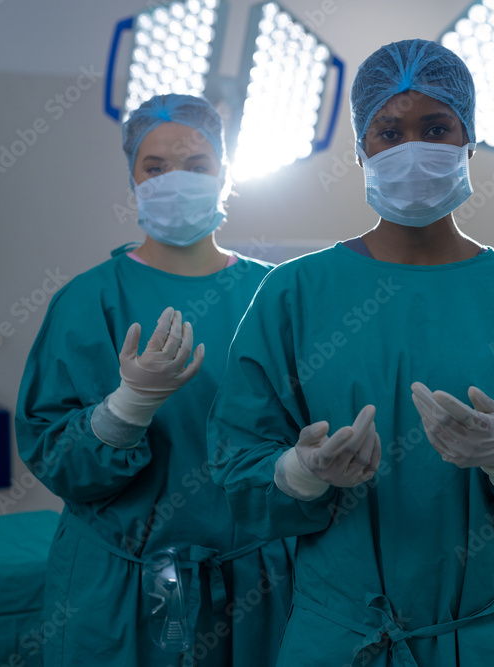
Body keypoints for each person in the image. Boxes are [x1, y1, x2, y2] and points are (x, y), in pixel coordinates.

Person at [207, 39, 494, 666]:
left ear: (469, 141)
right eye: (389, 132)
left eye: (435, 128)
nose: (412, 149)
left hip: (493, 640)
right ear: (360, 150)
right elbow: (238, 466)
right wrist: (299, 471)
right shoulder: (295, 294)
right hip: (343, 640)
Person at [16, 94, 292, 666]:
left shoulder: (276, 297)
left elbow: (304, 434)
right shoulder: (90, 299)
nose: (176, 181)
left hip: (257, 584)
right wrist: (127, 407)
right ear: (133, 181)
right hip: (120, 591)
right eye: (156, 167)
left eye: (196, 166)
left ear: (226, 174)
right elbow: (54, 455)